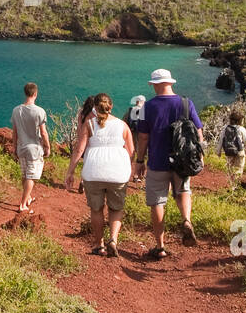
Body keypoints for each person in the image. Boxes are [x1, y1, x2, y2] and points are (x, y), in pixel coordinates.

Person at [132, 68, 204, 259]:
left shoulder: (147, 107)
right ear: (171, 83)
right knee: (184, 191)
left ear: (155, 85)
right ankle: (186, 219)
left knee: (157, 202)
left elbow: (144, 137)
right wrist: (199, 155)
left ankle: (160, 246)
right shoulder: (186, 103)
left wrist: (140, 161)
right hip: (183, 160)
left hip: (158, 161)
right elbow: (198, 132)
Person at [65, 92, 134, 257]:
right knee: (116, 208)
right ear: (111, 107)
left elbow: (80, 149)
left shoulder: (89, 124)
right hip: (117, 173)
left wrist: (71, 172)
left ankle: (99, 245)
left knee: (96, 209)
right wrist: (126, 168)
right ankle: (113, 240)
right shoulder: (123, 125)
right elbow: (131, 151)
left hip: (93, 171)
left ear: (95, 108)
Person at [10, 82, 50, 212]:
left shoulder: (16, 110)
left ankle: (27, 198)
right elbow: (43, 132)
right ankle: (22, 205)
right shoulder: (39, 111)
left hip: (21, 147)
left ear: (25, 92)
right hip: (34, 149)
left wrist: (14, 147)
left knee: (25, 175)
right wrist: (47, 147)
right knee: (31, 176)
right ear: (35, 94)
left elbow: (14, 132)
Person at [217, 109, 246, 187]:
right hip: (240, 152)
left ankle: (232, 185)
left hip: (229, 152)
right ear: (239, 120)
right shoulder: (241, 129)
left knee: (230, 170)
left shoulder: (225, 128)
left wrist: (218, 152)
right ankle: (235, 187)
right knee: (238, 170)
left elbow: (221, 140)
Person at [122, 95, 147, 181]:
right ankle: (141, 176)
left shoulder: (130, 111)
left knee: (131, 155)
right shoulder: (145, 111)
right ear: (143, 102)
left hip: (131, 136)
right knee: (141, 156)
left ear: (136, 101)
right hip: (142, 136)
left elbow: (124, 123)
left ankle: (127, 173)